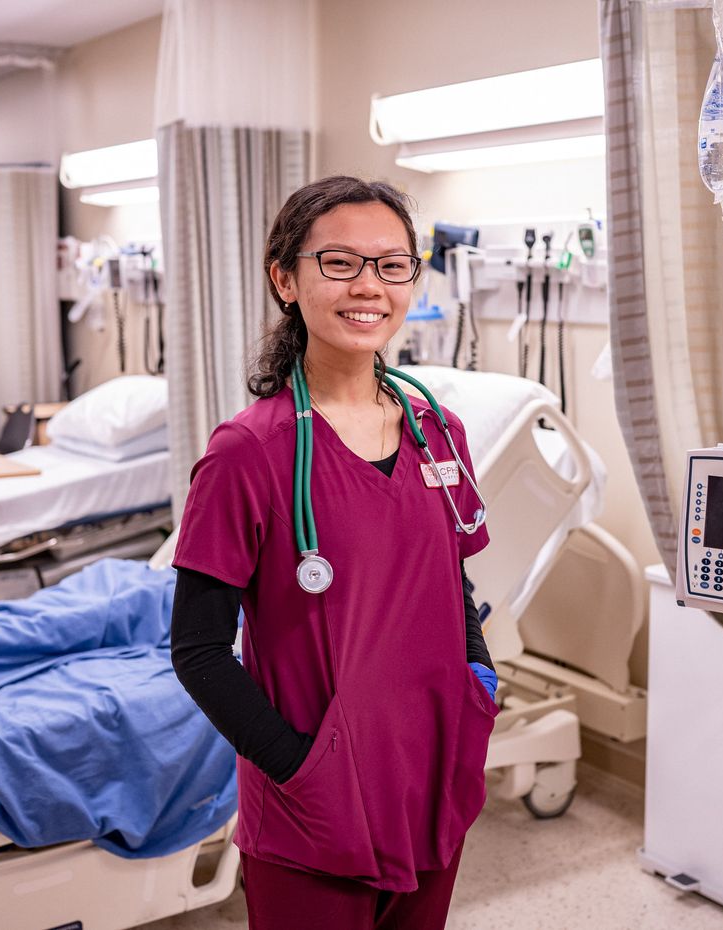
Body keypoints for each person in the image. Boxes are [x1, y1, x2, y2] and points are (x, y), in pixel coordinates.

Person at [170, 176, 499, 930]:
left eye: (392, 265)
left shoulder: (436, 430)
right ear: (286, 279)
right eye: (340, 262)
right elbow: (197, 649)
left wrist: (479, 685)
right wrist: (296, 768)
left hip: (432, 767)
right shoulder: (247, 453)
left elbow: (451, 577)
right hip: (316, 802)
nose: (369, 287)